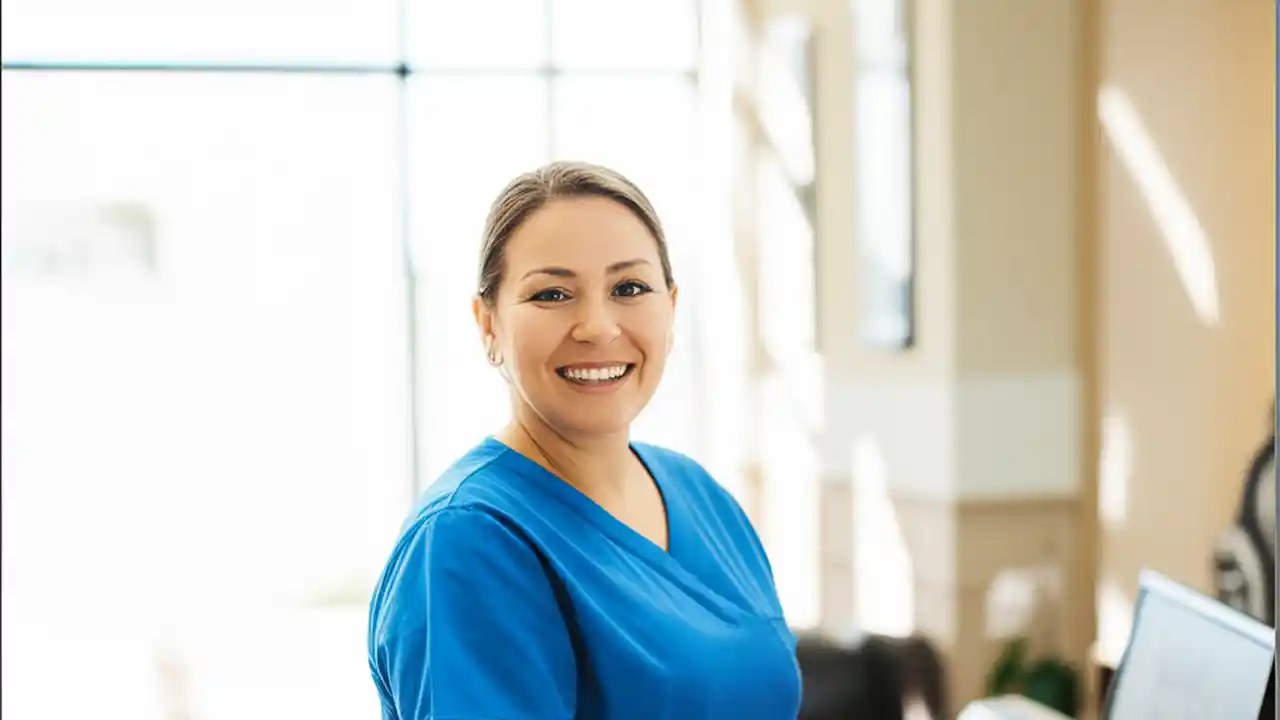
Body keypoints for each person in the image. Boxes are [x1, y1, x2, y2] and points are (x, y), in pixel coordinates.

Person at [367, 161, 802, 719]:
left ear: (670, 310)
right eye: (551, 294)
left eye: (629, 287)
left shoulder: (700, 494)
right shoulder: (467, 542)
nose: (597, 326)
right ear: (488, 325)